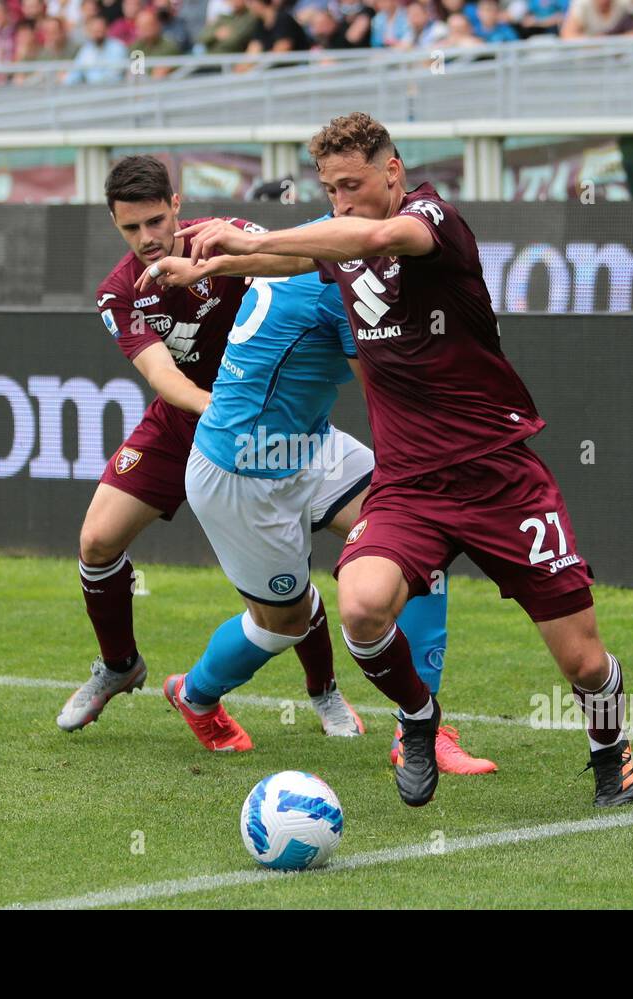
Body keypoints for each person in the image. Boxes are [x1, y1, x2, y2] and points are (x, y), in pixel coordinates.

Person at [175, 112, 633, 810]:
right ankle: (419, 718)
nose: (341, 202)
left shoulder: (431, 219)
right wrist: (214, 262)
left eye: (353, 185)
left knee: (582, 658)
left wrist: (257, 234)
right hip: (411, 485)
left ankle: (611, 750)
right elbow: (301, 258)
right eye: (329, 189)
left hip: (499, 477)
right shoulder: (343, 235)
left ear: (392, 171)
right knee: (360, 606)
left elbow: (378, 235)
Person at [137, 229, 498, 774]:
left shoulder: (334, 244)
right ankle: (196, 693)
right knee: (283, 623)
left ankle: (420, 730)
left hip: (311, 445)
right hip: (242, 469)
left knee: (424, 543)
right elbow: (387, 395)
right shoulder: (347, 278)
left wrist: (210, 267)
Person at [57, 155, 362, 741]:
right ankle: (120, 666)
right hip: (184, 427)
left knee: (293, 568)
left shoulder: (227, 242)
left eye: (154, 221)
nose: (147, 239)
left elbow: (302, 267)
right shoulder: (118, 292)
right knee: (96, 540)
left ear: (177, 205)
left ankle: (324, 691)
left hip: (268, 429)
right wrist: (217, 411)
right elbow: (161, 374)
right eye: (130, 229)